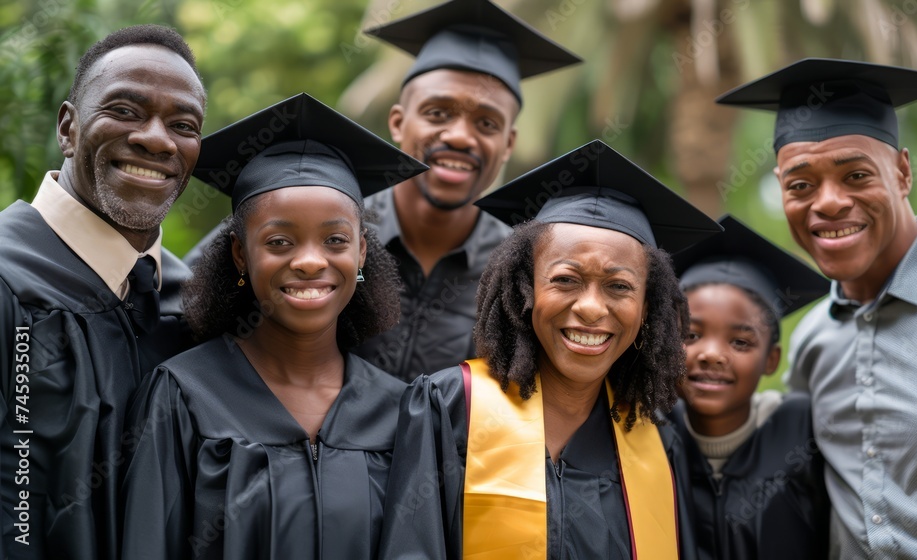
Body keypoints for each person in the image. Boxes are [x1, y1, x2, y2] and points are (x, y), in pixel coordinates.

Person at [378, 140, 722, 559]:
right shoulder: (450, 409)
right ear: (526, 290)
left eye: (619, 286)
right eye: (565, 279)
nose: (592, 308)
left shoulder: (656, 441)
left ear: (646, 308)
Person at [120, 93, 426, 559]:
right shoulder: (184, 395)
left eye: (335, 240)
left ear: (361, 253)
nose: (309, 261)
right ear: (241, 255)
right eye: (279, 241)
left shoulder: (402, 411)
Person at [717, 58, 917, 558]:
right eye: (800, 186)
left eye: (856, 174)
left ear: (903, 171)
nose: (827, 203)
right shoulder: (810, 340)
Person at [0, 25, 204, 559]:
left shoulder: (193, 307)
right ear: (68, 128)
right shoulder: (5, 280)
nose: (157, 139)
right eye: (127, 110)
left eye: (183, 124)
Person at [352, 0, 581, 380]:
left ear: (508, 144)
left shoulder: (522, 275)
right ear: (398, 122)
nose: (459, 136)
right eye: (437, 113)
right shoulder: (333, 234)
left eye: (486, 123)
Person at [667, 214, 830, 559]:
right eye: (691, 335)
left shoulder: (805, 431)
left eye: (741, 342)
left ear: (771, 360)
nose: (712, 354)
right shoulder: (647, 436)